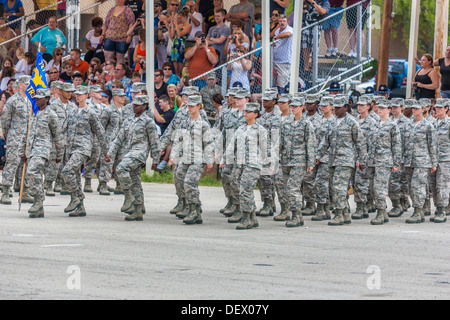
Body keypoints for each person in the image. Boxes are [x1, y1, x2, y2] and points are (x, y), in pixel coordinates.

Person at [105, 95, 160, 221]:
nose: (134, 107)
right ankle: (138, 209)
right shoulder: (128, 120)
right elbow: (118, 139)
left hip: (140, 152)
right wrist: (110, 153)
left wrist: (156, 159)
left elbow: (154, 141)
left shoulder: (148, 122)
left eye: (138, 105)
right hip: (129, 151)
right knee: (135, 181)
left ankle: (128, 196)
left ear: (144, 106)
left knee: (121, 168)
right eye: (134, 104)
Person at [316, 98, 367, 226]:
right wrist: (318, 155)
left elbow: (360, 143)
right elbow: (325, 141)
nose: (336, 110)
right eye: (335, 108)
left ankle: (338, 214)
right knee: (336, 188)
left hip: (346, 159)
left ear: (345, 107)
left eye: (338, 108)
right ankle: (345, 213)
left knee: (338, 186)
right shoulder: (332, 122)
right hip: (332, 159)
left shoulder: (352, 123)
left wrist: (362, 160)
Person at [61, 85, 108, 217]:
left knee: (67, 171)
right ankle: (80, 207)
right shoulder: (72, 111)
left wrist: (106, 151)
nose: (78, 96)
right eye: (76, 94)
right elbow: (62, 130)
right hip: (71, 148)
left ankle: (76, 197)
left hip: (83, 148)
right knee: (74, 176)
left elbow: (100, 132)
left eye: (81, 94)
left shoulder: (91, 113)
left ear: (87, 96)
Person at [224, 102, 271, 230]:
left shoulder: (260, 130)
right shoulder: (241, 129)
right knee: (237, 187)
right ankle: (252, 217)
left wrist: (269, 163)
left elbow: (266, 148)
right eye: (245, 112)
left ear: (255, 114)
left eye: (249, 112)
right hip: (239, 163)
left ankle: (246, 218)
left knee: (245, 189)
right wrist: (226, 159)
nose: (246, 114)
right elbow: (231, 145)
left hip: (253, 164)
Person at [169, 95, 214, 224]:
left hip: (198, 159)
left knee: (189, 182)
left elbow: (209, 143)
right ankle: (194, 207)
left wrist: (209, 161)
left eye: (192, 106)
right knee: (179, 178)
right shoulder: (185, 122)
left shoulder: (204, 124)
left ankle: (193, 210)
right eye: (188, 106)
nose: (189, 108)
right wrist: (173, 156)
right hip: (185, 158)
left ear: (199, 107)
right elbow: (178, 140)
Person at [18, 88, 63, 218]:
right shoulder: (34, 114)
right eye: (36, 98)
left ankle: (38, 200)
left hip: (42, 149)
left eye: (40, 98)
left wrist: (59, 155)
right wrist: (22, 151)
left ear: (47, 99)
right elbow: (26, 135)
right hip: (31, 150)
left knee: (32, 171)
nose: (37, 100)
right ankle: (39, 205)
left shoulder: (51, 115)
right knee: (32, 174)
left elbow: (58, 136)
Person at [276, 96, 316, 227]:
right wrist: (275, 157)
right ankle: (295, 214)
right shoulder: (285, 123)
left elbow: (310, 143)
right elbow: (280, 142)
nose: (293, 108)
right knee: (288, 188)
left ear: (302, 107)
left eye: (296, 106)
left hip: (299, 160)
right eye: (292, 106)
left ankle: (296, 215)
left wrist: (310, 163)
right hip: (286, 160)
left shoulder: (306, 124)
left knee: (292, 188)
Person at [366, 100, 402, 225]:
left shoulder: (392, 126)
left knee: (379, 187)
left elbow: (397, 145)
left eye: (383, 108)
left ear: (389, 110)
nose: (380, 110)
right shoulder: (374, 124)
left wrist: (396, 163)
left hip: (384, 161)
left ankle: (381, 213)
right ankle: (383, 213)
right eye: (378, 107)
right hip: (372, 161)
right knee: (372, 187)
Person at [403, 102, 438, 224]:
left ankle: (418, 211)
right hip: (409, 161)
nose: (414, 110)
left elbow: (432, 145)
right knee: (410, 188)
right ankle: (419, 210)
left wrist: (434, 163)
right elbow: (404, 144)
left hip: (422, 161)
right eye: (413, 108)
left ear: (423, 110)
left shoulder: (428, 126)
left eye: (417, 108)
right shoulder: (408, 125)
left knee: (417, 187)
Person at [0, 75, 31, 205]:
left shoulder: (31, 101)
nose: (30, 86)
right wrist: (8, 136)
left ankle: (23, 191)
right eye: (27, 84)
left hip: (27, 138)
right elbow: (6, 120)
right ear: (21, 85)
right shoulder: (13, 101)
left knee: (26, 165)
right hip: (15, 137)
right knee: (12, 164)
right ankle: (5, 191)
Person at [351, 94, 378, 219]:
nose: (359, 107)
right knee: (355, 183)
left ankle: (362, 207)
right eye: (358, 105)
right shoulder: (354, 120)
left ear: (368, 107)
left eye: (362, 105)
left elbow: (372, 144)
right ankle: (362, 206)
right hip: (352, 157)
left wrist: (363, 159)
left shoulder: (372, 122)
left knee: (361, 183)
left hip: (363, 158)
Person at [255, 90, 281, 217]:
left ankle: (269, 204)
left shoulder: (278, 115)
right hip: (262, 151)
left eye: (267, 100)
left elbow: (276, 137)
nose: (263, 102)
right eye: (263, 100)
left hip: (272, 152)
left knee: (270, 179)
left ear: (274, 101)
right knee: (263, 179)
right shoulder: (263, 115)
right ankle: (268, 203)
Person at [98, 88, 126, 196]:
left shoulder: (125, 110)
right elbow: (101, 126)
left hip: (122, 141)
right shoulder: (108, 110)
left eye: (123, 96)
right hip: (110, 140)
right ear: (114, 97)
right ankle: (103, 184)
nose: (123, 98)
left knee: (121, 163)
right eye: (120, 96)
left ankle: (119, 185)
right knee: (107, 163)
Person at [387, 98, 411, 218]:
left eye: (397, 107)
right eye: (392, 107)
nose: (394, 109)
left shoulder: (407, 122)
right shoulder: (388, 120)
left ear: (402, 107)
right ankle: (400, 203)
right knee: (393, 183)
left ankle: (401, 203)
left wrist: (404, 159)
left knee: (400, 182)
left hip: (400, 157)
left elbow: (407, 143)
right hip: (388, 156)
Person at [429, 98, 449, 223]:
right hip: (433, 160)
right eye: (437, 107)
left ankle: (443, 210)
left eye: (441, 107)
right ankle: (437, 208)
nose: (438, 109)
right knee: (433, 186)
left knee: (442, 186)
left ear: (447, 109)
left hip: (445, 159)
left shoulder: (449, 123)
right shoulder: (432, 123)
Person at [100, 0, 135, 65]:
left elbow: (131, 23)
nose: (118, 1)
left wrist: (129, 36)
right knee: (107, 56)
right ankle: (109, 72)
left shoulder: (128, 10)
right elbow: (106, 23)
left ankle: (120, 72)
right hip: (110, 36)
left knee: (120, 56)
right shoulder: (111, 10)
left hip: (122, 37)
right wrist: (103, 34)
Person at [272, 14, 293, 91]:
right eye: (280, 21)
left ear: (287, 22)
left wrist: (276, 37)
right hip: (275, 60)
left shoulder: (289, 29)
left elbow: (288, 34)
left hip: (284, 61)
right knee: (274, 84)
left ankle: (281, 97)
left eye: (284, 21)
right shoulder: (277, 30)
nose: (282, 23)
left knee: (281, 84)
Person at [170, 5, 192, 78]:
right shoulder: (178, 25)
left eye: (180, 18)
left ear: (185, 17)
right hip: (175, 46)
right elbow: (172, 35)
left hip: (182, 47)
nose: (178, 20)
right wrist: (172, 25)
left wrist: (176, 24)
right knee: (176, 71)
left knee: (181, 70)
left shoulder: (188, 26)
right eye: (177, 18)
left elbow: (180, 34)